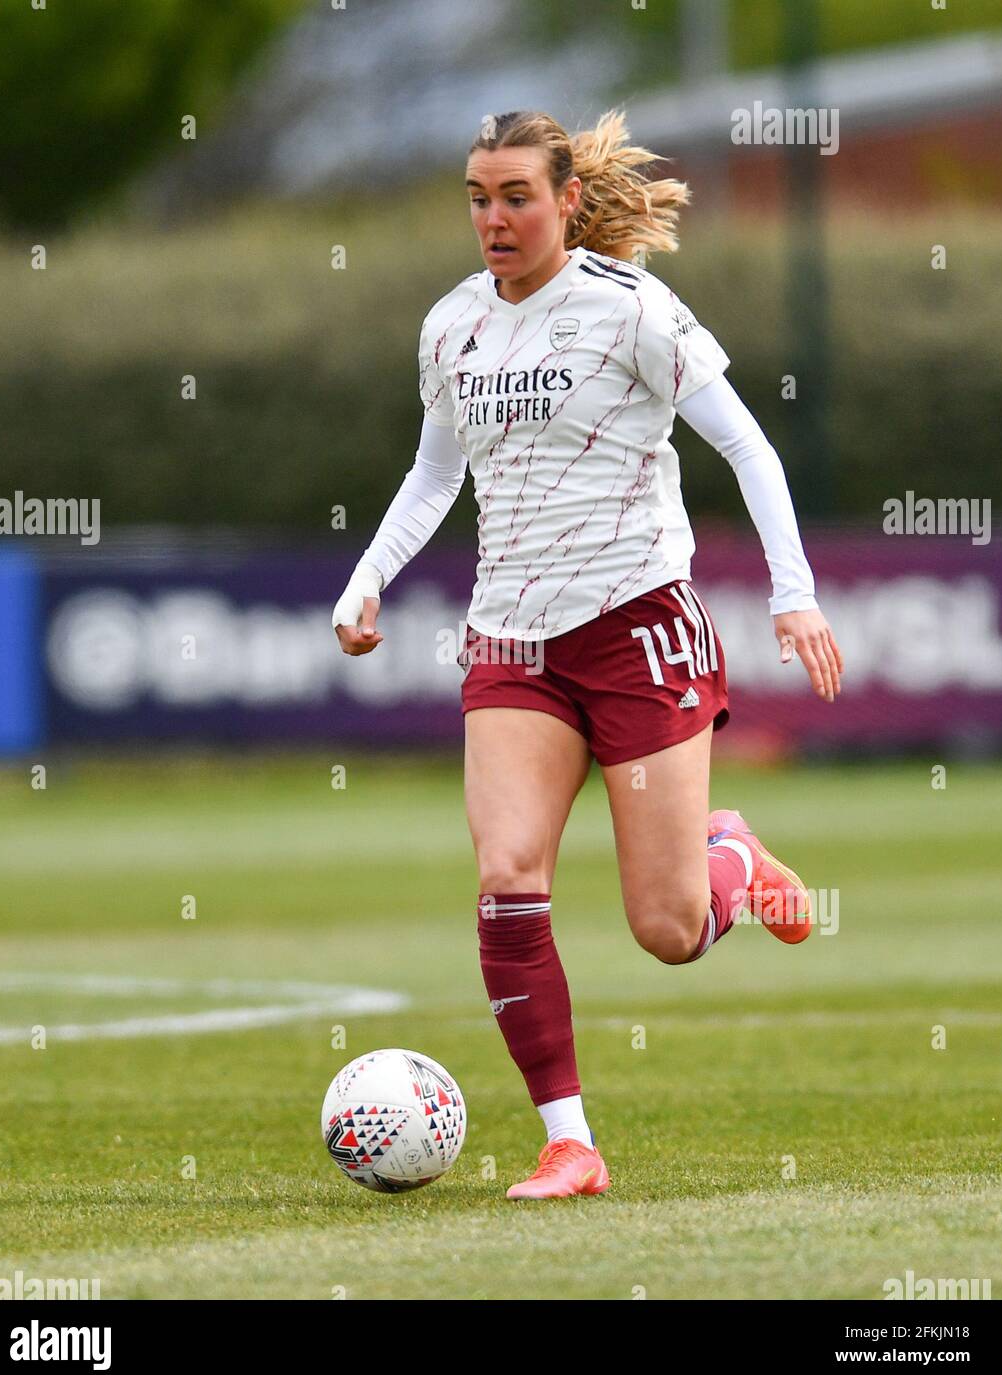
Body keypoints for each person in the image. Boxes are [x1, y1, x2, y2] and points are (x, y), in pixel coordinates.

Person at [332, 109, 843, 1200]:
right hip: (511, 643)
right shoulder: (451, 329)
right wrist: (367, 575)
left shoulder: (633, 312)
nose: (494, 217)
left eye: (516, 195)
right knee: (507, 877)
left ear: (568, 200)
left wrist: (792, 597)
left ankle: (732, 863)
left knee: (666, 929)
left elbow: (747, 445)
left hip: (635, 628)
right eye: (478, 196)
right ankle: (570, 1140)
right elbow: (435, 475)